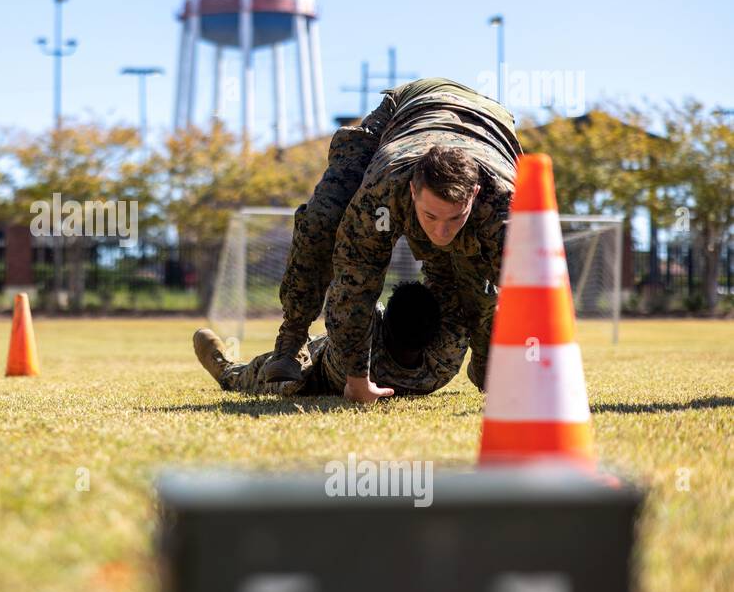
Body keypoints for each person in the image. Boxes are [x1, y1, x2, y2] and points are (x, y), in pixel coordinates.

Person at [261, 78, 521, 402]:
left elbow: (529, 294)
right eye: (430, 217)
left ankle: (486, 358)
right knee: (321, 221)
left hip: (488, 123)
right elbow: (356, 279)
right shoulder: (385, 188)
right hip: (402, 113)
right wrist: (357, 377)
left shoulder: (503, 208)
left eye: (454, 217)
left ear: (476, 195)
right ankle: (291, 339)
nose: (441, 232)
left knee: (480, 279)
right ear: (413, 192)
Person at [194, 281, 469, 398]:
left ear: (384, 323)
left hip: (316, 371)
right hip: (340, 356)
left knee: (252, 374)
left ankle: (225, 369)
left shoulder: (356, 340)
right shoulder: (442, 366)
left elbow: (350, 294)